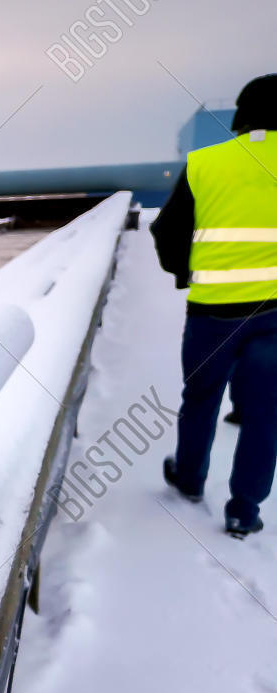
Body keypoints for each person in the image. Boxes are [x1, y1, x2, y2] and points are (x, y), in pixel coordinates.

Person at [152, 74, 277, 538]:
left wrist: (187, 275)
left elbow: (167, 232)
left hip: (211, 311)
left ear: (241, 116)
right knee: (267, 413)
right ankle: (244, 509)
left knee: (201, 398)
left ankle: (189, 480)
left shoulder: (205, 163)